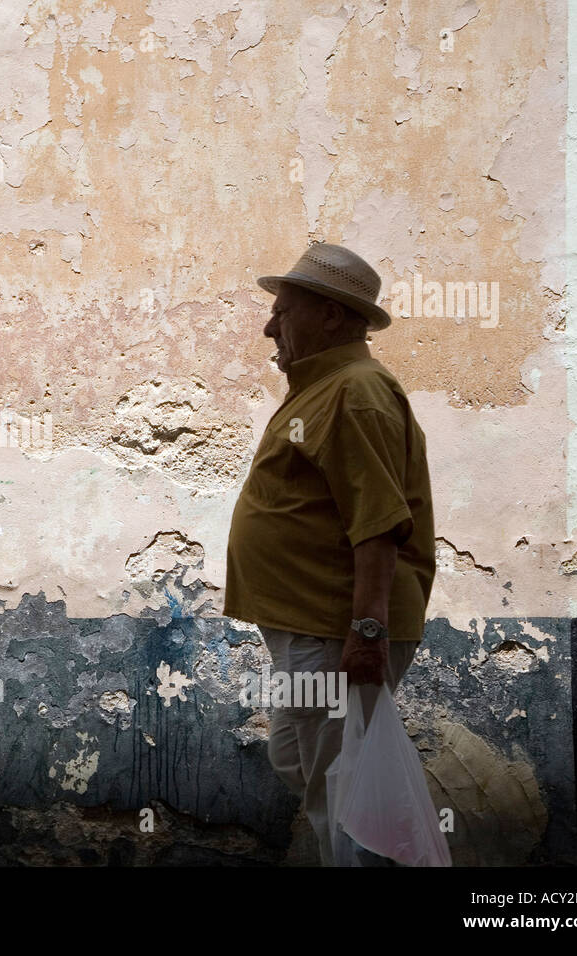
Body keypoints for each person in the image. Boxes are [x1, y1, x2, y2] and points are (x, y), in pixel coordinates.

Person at [223, 241, 436, 865]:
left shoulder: (356, 392)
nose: (269, 324)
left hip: (335, 627)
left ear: (333, 316)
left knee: (343, 785)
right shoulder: (325, 387)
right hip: (311, 626)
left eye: (284, 311)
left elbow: (377, 525)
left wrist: (366, 631)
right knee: (299, 757)